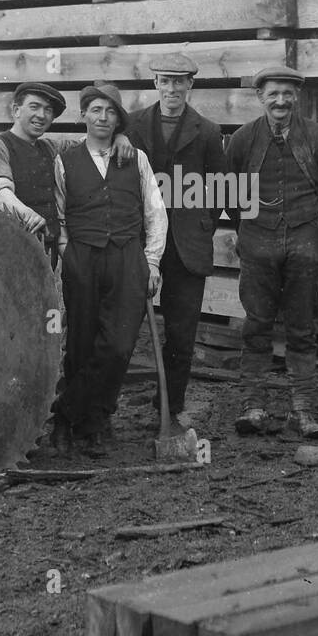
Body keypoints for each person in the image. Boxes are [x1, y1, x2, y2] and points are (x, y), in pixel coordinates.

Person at [53, 83, 168, 456]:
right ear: (83, 116)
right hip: (83, 257)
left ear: (119, 119)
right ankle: (91, 425)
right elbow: (59, 214)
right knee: (81, 343)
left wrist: (151, 262)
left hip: (126, 256)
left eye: (110, 111)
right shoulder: (65, 160)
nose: (102, 117)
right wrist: (69, 255)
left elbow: (155, 213)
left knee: (119, 346)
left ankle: (68, 412)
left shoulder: (136, 159)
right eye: (96, 110)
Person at [227, 65, 318, 439]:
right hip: (258, 242)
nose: (280, 101)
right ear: (260, 97)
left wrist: (309, 227)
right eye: (273, 94)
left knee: (303, 327)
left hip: (305, 242)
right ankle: (253, 405)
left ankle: (303, 409)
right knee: (256, 324)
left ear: (297, 98)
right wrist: (253, 226)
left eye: (287, 94)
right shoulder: (242, 139)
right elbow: (231, 195)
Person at [126, 59, 227, 427]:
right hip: (137, 240)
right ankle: (102, 406)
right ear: (155, 82)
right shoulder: (133, 125)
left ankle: (171, 406)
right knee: (124, 323)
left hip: (186, 244)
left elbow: (219, 188)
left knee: (182, 333)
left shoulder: (207, 131)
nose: (172, 89)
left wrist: (198, 225)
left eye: (179, 82)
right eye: (165, 81)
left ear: (190, 86)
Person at [0, 81, 134, 266]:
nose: (41, 115)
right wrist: (26, 213)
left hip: (46, 253)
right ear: (16, 110)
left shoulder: (50, 148)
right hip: (4, 251)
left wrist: (119, 136)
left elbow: (91, 144)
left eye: (48, 110)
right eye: (35, 107)